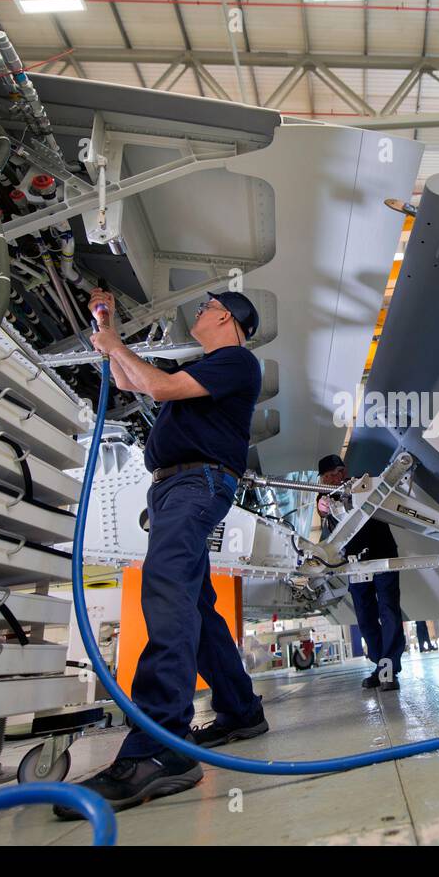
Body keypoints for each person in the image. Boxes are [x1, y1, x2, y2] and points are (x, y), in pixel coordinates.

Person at [57, 289, 268, 817]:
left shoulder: (236, 361)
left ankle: (160, 747)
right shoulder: (209, 371)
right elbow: (135, 381)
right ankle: (241, 711)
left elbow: (155, 382)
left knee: (167, 593)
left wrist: (113, 342)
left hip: (196, 485)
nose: (197, 312)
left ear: (227, 317)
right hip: (178, 488)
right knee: (194, 605)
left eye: (206, 306)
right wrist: (108, 332)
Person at [315, 454, 405, 690]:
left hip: (383, 555)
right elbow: (323, 510)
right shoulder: (323, 495)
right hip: (354, 563)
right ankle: (380, 666)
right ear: (323, 478)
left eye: (340, 471)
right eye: (330, 475)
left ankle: (389, 670)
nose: (337, 477)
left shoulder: (362, 484)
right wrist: (321, 506)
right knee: (365, 617)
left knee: (389, 611)